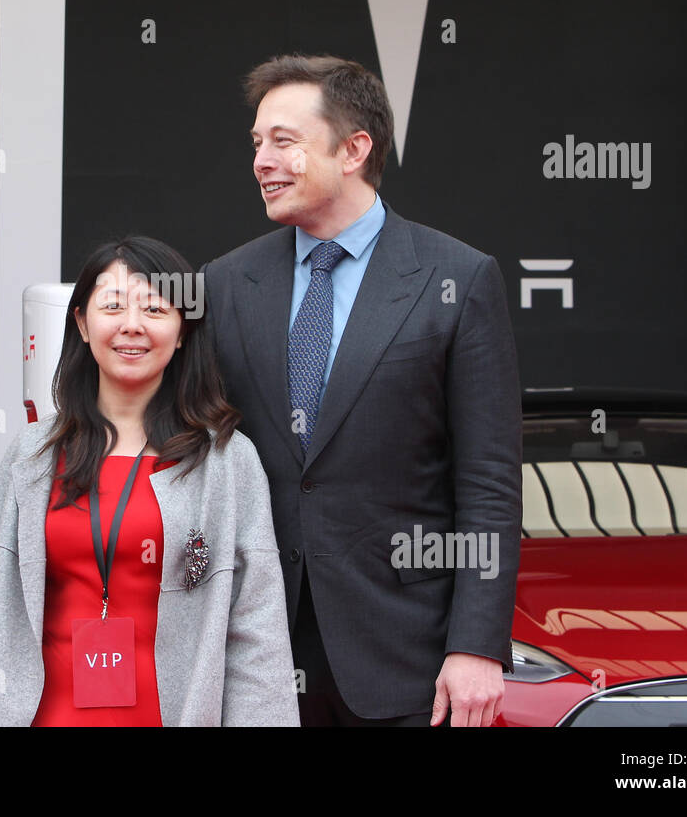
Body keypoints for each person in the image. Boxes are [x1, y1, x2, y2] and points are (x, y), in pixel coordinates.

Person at [201, 55, 522, 727]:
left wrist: (475, 647)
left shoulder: (456, 279)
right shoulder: (225, 285)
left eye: (284, 142)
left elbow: (489, 481)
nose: (262, 161)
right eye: (256, 144)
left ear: (354, 150)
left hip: (407, 655)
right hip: (257, 649)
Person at [0, 236, 298, 726]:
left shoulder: (226, 460)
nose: (132, 326)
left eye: (155, 309)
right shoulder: (33, 453)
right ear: (81, 322)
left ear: (183, 330)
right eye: (113, 305)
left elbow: (257, 629)